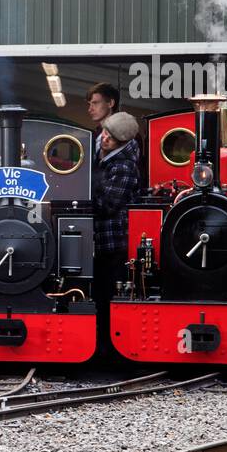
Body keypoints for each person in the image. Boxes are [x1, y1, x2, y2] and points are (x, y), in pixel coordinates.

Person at [92, 111, 141, 356]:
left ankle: (108, 347)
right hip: (102, 239)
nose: (103, 138)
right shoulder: (104, 158)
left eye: (109, 137)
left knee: (107, 292)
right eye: (104, 133)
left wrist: (84, 192)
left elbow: (108, 205)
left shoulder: (124, 166)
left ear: (121, 142)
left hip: (114, 240)